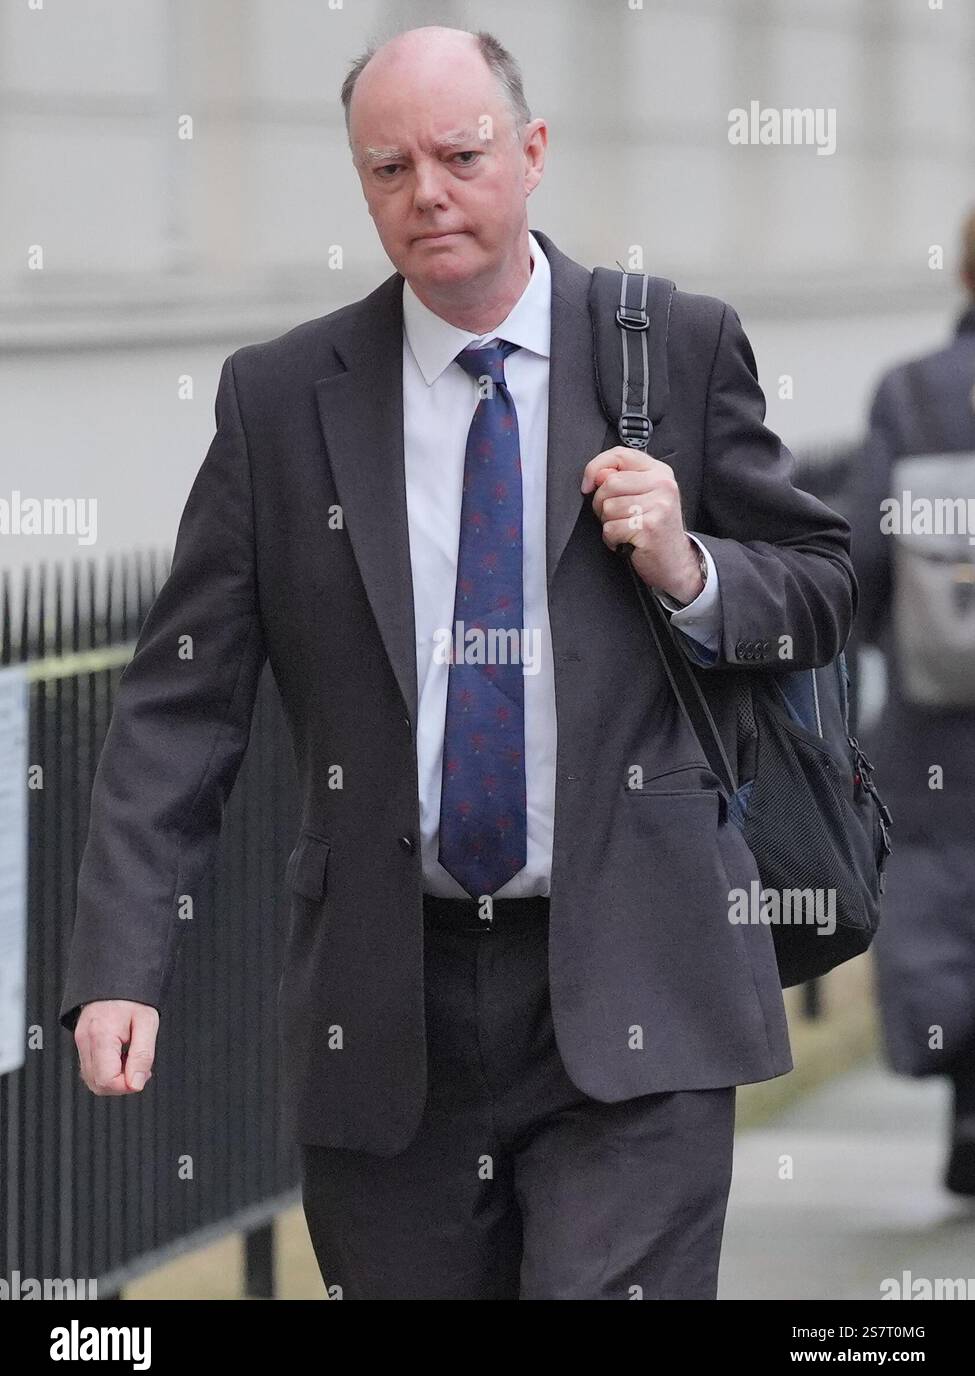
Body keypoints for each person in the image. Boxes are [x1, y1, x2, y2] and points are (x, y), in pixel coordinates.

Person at [59, 26, 855, 1299]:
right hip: (388, 1010)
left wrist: (693, 568)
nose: (426, 191)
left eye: (461, 154)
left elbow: (823, 584)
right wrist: (117, 965)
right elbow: (179, 700)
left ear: (531, 153)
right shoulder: (281, 400)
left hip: (637, 985)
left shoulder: (671, 347)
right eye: (388, 168)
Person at [848, 208, 975, 1197]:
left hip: (938, 714)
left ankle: (966, 1101)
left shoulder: (914, 394)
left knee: (936, 902)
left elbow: (864, 557)